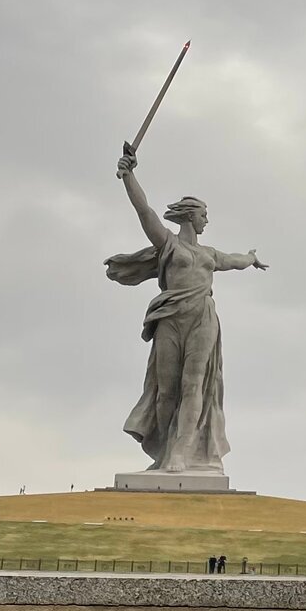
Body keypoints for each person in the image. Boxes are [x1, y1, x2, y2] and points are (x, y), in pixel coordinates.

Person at [106, 149, 268, 473]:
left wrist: (250, 257)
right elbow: (144, 211)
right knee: (166, 390)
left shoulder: (209, 254)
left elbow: (236, 260)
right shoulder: (168, 244)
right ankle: (165, 450)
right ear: (191, 216)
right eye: (204, 215)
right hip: (170, 319)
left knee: (194, 384)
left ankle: (182, 452)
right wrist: (129, 175)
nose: (207, 220)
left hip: (202, 318)